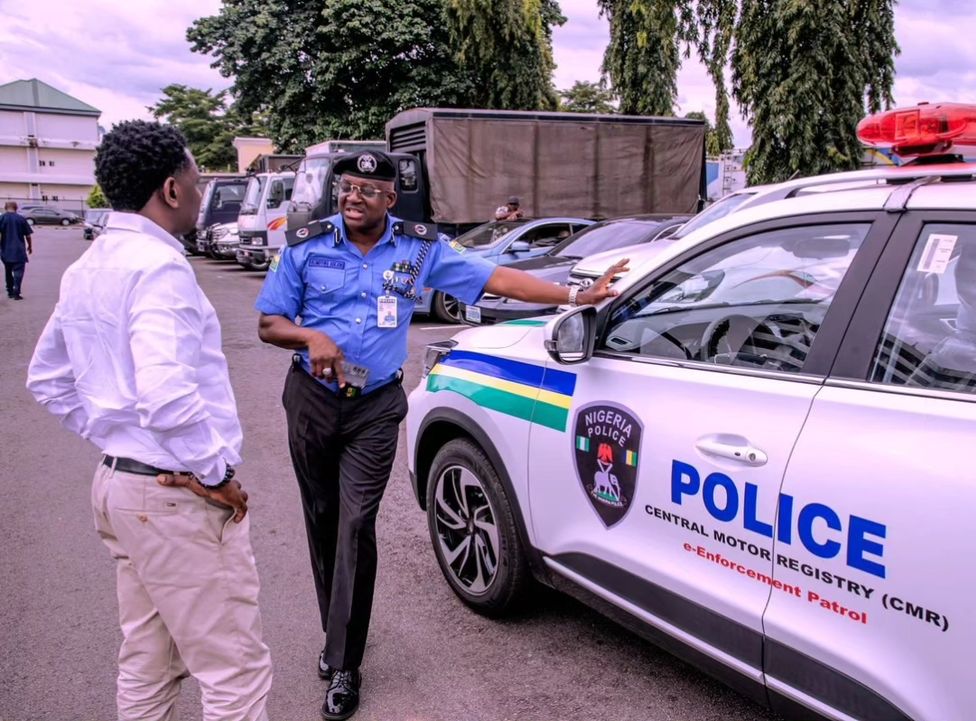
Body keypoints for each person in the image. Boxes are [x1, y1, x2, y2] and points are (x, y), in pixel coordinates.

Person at [255, 150, 624, 721]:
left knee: (356, 525)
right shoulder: (306, 243)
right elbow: (268, 322)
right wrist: (309, 338)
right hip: (312, 399)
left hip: (375, 405)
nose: (353, 198)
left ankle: (345, 661)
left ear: (389, 199)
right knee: (323, 518)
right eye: (346, 188)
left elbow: (496, 278)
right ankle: (337, 627)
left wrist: (576, 296)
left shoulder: (420, 247)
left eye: (366, 190)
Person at [26, 120, 272, 721]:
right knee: (235, 672)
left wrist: (118, 440)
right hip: (172, 500)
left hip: (121, 488)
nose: (198, 194)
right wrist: (212, 474)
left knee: (149, 662)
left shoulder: (89, 266)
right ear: (169, 188)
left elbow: (48, 380)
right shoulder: (158, 269)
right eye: (194, 181)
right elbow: (167, 397)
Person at [0, 200, 33, 299]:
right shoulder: (21, 219)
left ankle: (10, 291)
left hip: (5, 250)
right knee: (18, 271)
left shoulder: (1, 218)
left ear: (5, 208)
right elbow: (28, 235)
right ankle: (16, 292)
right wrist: (30, 246)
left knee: (8, 270)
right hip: (19, 250)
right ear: (16, 208)